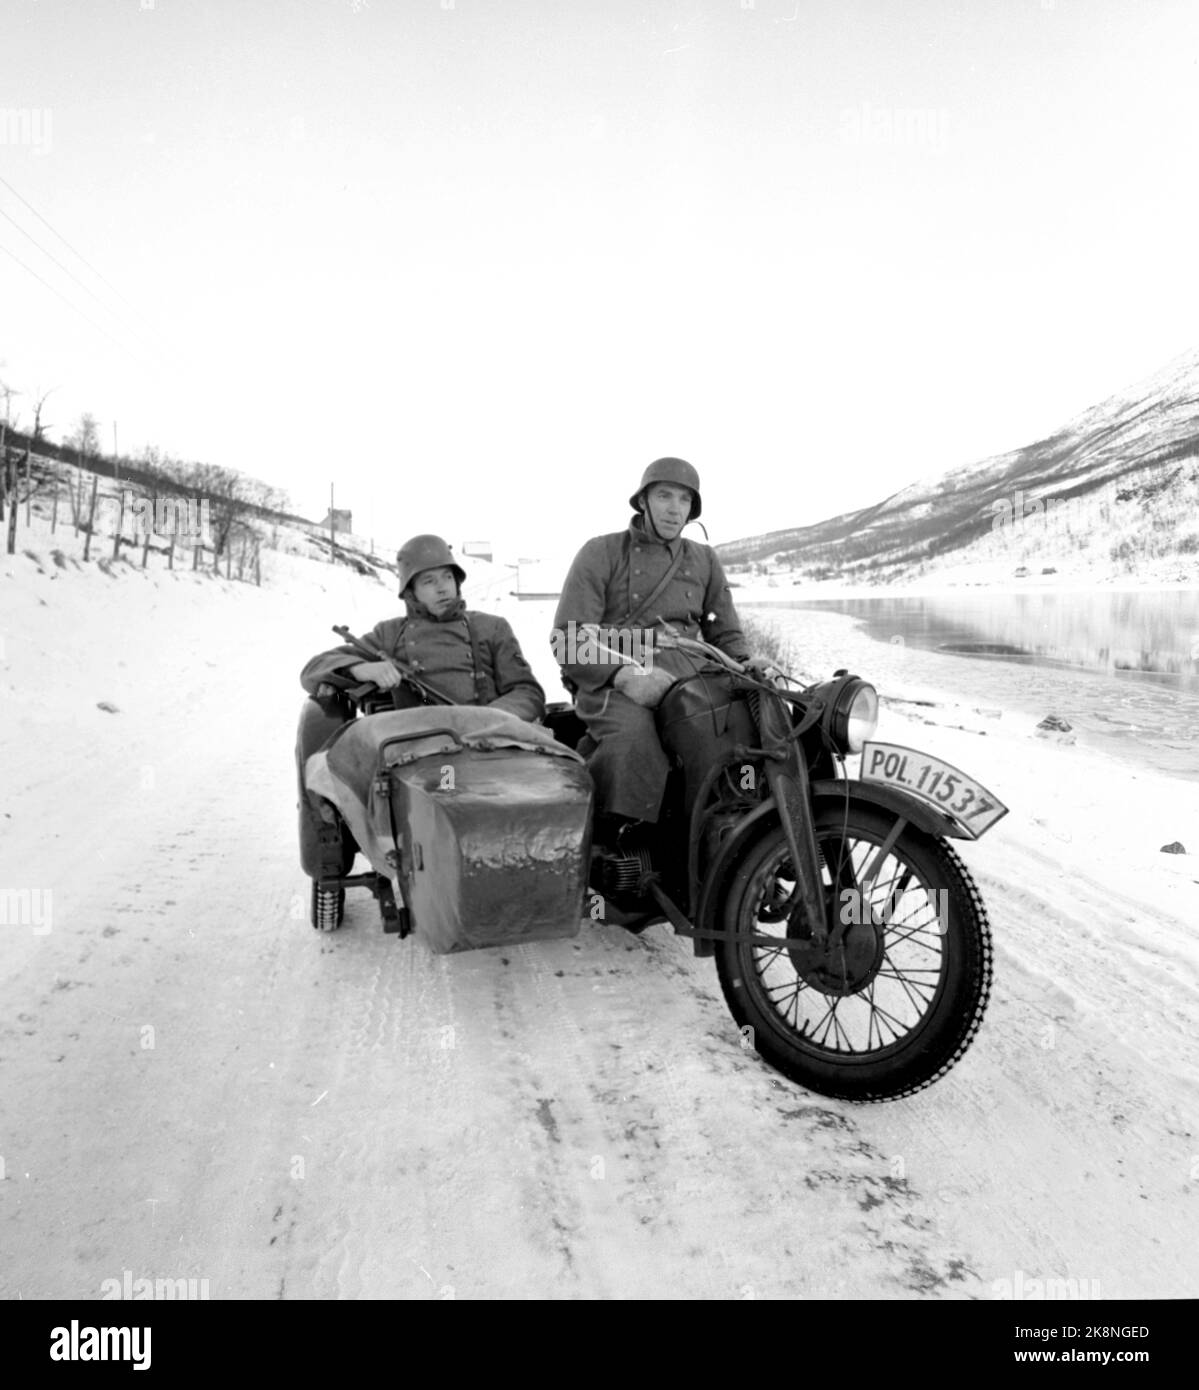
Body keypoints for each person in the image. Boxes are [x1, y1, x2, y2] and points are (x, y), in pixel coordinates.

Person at [297, 533, 545, 878]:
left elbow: (527, 692)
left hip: (494, 744)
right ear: (410, 591)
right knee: (449, 803)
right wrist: (361, 667)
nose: (442, 588)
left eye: (447, 577)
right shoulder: (391, 635)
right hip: (429, 755)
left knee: (540, 806)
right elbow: (313, 669)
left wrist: (488, 720)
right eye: (429, 581)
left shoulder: (492, 628)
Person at [552, 458, 767, 843]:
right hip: (615, 682)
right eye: (664, 495)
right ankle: (624, 844)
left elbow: (726, 633)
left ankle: (747, 842)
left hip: (692, 678)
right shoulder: (601, 553)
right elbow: (569, 639)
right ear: (643, 501)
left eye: (684, 499)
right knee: (637, 744)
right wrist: (623, 674)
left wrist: (747, 663)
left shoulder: (704, 559)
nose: (674, 507)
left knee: (752, 734)